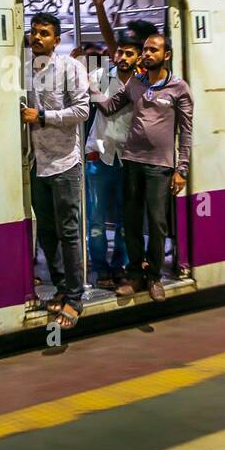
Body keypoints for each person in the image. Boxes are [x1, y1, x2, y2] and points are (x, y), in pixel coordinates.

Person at [98, 33, 193, 302]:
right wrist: (88, 88)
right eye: (146, 50)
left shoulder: (179, 88)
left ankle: (153, 276)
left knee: (157, 222)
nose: (148, 54)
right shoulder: (135, 83)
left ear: (167, 55)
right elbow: (109, 107)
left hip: (160, 166)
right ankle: (135, 275)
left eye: (154, 50)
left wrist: (182, 169)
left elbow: (186, 132)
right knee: (131, 220)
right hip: (132, 161)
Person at [22, 12, 90, 329]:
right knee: (48, 233)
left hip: (65, 163)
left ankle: (75, 299)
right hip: (38, 163)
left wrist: (42, 117)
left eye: (44, 33)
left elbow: (82, 110)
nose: (37, 37)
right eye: (34, 32)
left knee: (69, 232)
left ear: (56, 40)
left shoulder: (70, 68)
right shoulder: (25, 70)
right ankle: (62, 288)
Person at [85, 36, 142, 289]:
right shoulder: (100, 77)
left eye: (130, 53)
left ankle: (120, 265)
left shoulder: (143, 84)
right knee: (96, 218)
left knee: (125, 217)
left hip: (129, 158)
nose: (123, 57)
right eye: (120, 52)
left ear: (138, 57)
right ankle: (100, 267)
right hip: (100, 155)